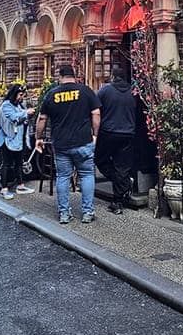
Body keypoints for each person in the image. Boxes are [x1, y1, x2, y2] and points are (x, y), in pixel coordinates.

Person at [35, 64, 100, 224]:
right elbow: (96, 114)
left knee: (63, 177)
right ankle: (87, 212)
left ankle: (64, 213)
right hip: (83, 141)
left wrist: (38, 137)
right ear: (75, 75)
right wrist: (95, 135)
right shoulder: (86, 91)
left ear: (60, 77)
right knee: (86, 175)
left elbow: (42, 118)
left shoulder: (52, 94)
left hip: (61, 144)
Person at [96, 65, 136, 214]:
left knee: (100, 160)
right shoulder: (133, 91)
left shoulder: (105, 90)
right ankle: (118, 200)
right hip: (128, 133)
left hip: (109, 132)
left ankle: (123, 184)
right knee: (122, 166)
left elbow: (95, 109)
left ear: (113, 76)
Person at [0, 83, 35, 199]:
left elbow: (22, 119)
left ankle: (20, 185)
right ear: (14, 94)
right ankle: (4, 189)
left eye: (22, 95)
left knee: (19, 163)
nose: (21, 97)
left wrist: (27, 117)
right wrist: (26, 113)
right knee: (7, 164)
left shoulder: (20, 106)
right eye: (19, 95)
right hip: (7, 139)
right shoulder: (6, 105)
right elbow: (13, 117)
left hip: (18, 139)